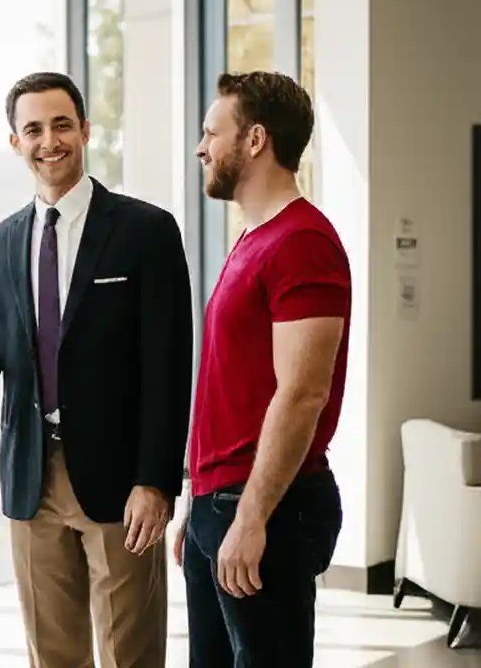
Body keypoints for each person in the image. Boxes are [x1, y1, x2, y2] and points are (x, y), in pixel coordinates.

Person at [0, 73, 193, 668]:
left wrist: (156, 481)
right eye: (34, 129)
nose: (50, 140)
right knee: (52, 655)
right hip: (30, 476)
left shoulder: (145, 230)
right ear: (15, 142)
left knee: (131, 653)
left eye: (62, 124)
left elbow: (169, 366)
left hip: (121, 481)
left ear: (86, 131)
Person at [178, 71, 349, 666]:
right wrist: (198, 506)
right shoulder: (256, 238)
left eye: (210, 132)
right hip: (218, 502)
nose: (201, 147)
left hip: (262, 508)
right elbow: (234, 383)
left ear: (254, 140)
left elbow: (303, 394)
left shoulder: (302, 242)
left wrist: (249, 517)